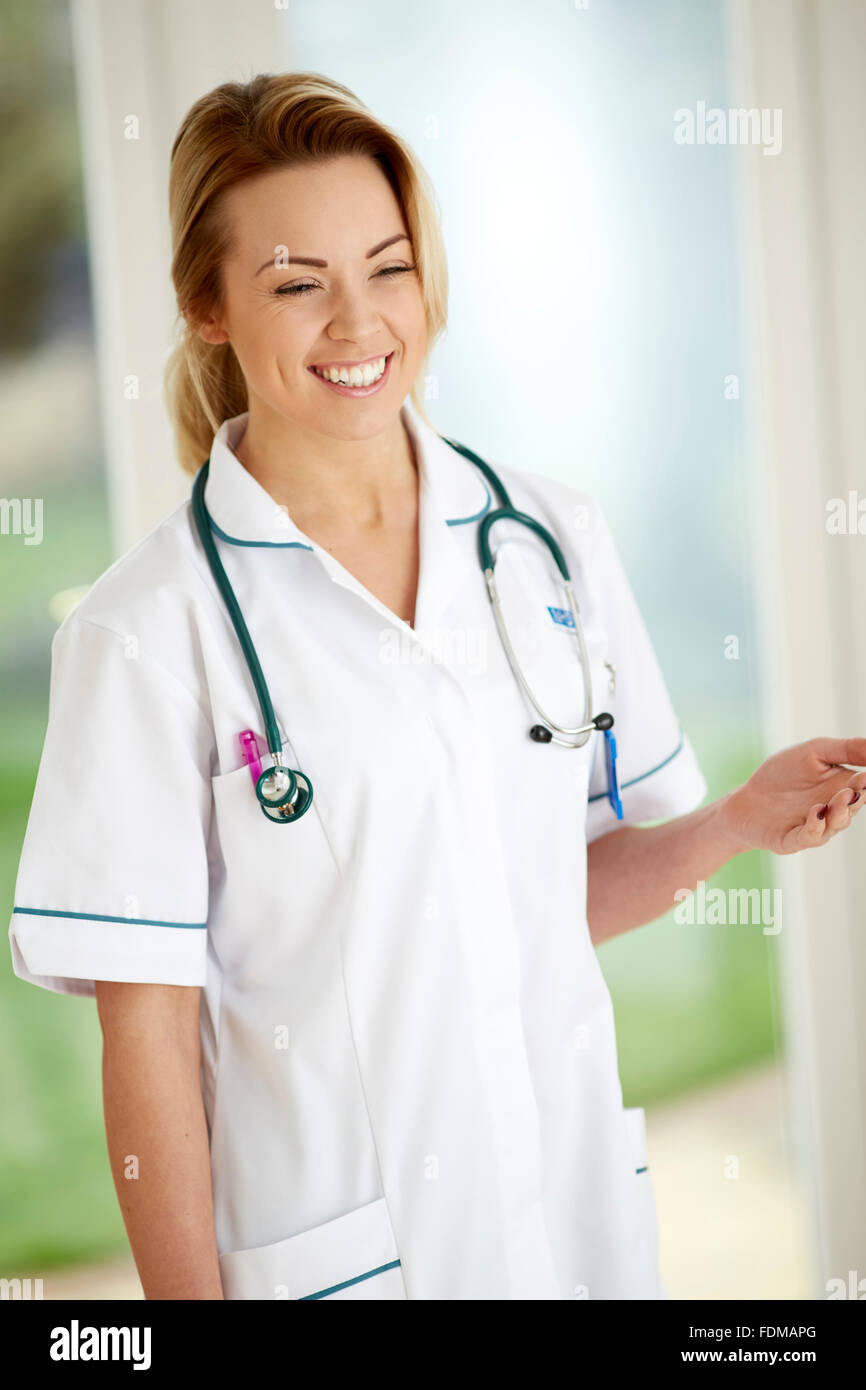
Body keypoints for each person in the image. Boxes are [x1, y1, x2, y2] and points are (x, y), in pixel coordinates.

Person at [8, 71, 865, 1301]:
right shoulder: (149, 630)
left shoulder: (546, 538)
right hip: (339, 1259)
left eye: (389, 268)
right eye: (298, 283)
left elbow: (538, 900)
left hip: (573, 1232)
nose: (358, 324)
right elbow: (144, 1039)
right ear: (207, 306)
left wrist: (729, 823)